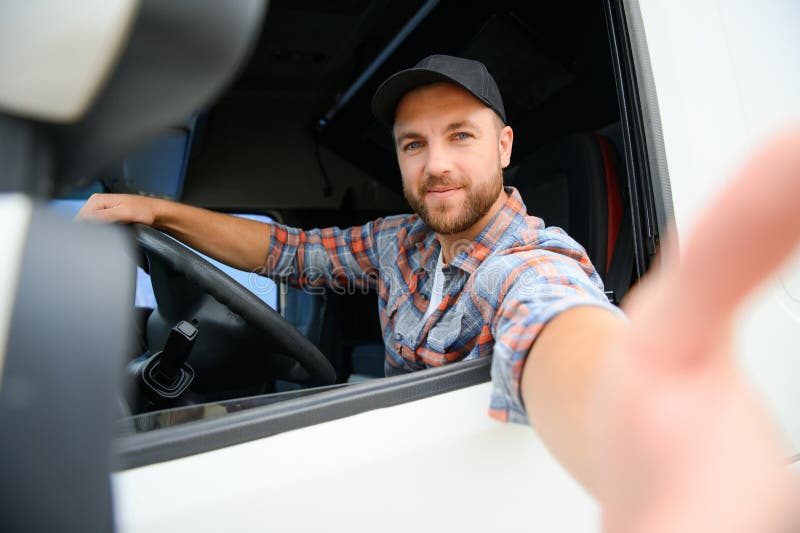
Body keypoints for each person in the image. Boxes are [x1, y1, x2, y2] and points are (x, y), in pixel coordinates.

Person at [79, 55, 800, 531]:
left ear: (505, 145)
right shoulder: (402, 240)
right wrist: (157, 211)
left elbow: (556, 323)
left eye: (461, 135)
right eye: (414, 144)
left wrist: (641, 434)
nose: (437, 165)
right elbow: (289, 251)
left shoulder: (527, 260)